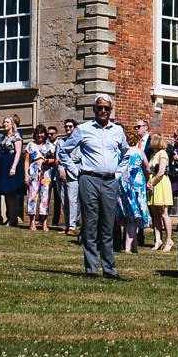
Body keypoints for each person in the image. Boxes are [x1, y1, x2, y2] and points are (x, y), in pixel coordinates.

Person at [68, 95, 128, 277]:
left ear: (111, 110)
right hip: (89, 179)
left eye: (106, 108)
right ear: (94, 110)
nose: (103, 111)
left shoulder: (117, 131)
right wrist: (75, 170)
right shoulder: (83, 129)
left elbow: (126, 153)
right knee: (90, 225)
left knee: (108, 226)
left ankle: (109, 269)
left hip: (110, 181)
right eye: (99, 108)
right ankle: (91, 269)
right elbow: (64, 150)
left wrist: (119, 173)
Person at [142, 131, 171, 249]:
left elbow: (161, 172)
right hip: (152, 184)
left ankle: (169, 240)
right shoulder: (153, 155)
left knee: (164, 213)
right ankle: (158, 240)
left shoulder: (163, 153)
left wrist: (151, 183)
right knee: (155, 214)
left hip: (160, 183)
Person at [26, 125, 56, 232]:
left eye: (42, 133)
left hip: (46, 174)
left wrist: (48, 161)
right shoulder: (30, 145)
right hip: (33, 174)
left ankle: (44, 223)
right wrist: (26, 175)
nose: (40, 135)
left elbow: (56, 160)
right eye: (38, 133)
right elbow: (26, 160)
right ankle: (32, 222)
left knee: (45, 198)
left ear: (45, 134)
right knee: (32, 197)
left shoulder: (50, 145)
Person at [54, 117, 80, 236]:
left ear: (74, 128)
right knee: (64, 200)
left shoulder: (79, 142)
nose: (68, 128)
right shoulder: (60, 142)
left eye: (70, 126)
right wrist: (61, 168)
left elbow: (78, 157)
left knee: (72, 199)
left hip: (73, 173)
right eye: (66, 127)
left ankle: (72, 226)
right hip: (61, 174)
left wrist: (66, 164)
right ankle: (67, 225)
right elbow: (58, 158)